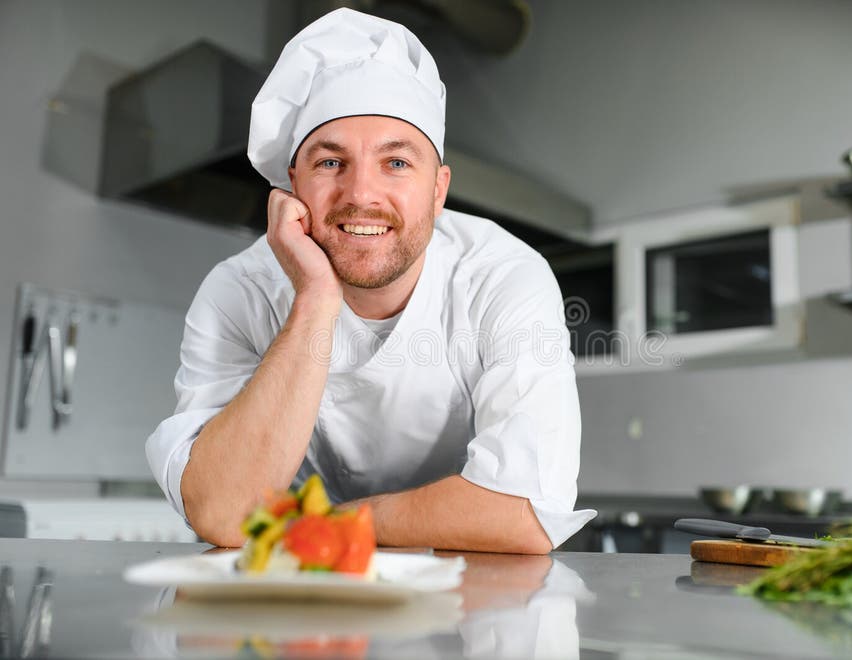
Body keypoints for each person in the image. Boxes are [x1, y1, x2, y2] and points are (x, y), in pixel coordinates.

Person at [146, 7, 594, 553]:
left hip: (462, 601)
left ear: (438, 188)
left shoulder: (502, 278)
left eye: (397, 163)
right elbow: (221, 510)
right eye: (330, 163)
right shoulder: (240, 293)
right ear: (292, 185)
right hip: (301, 607)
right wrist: (314, 299)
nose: (361, 194)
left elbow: (526, 512)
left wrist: (325, 526)